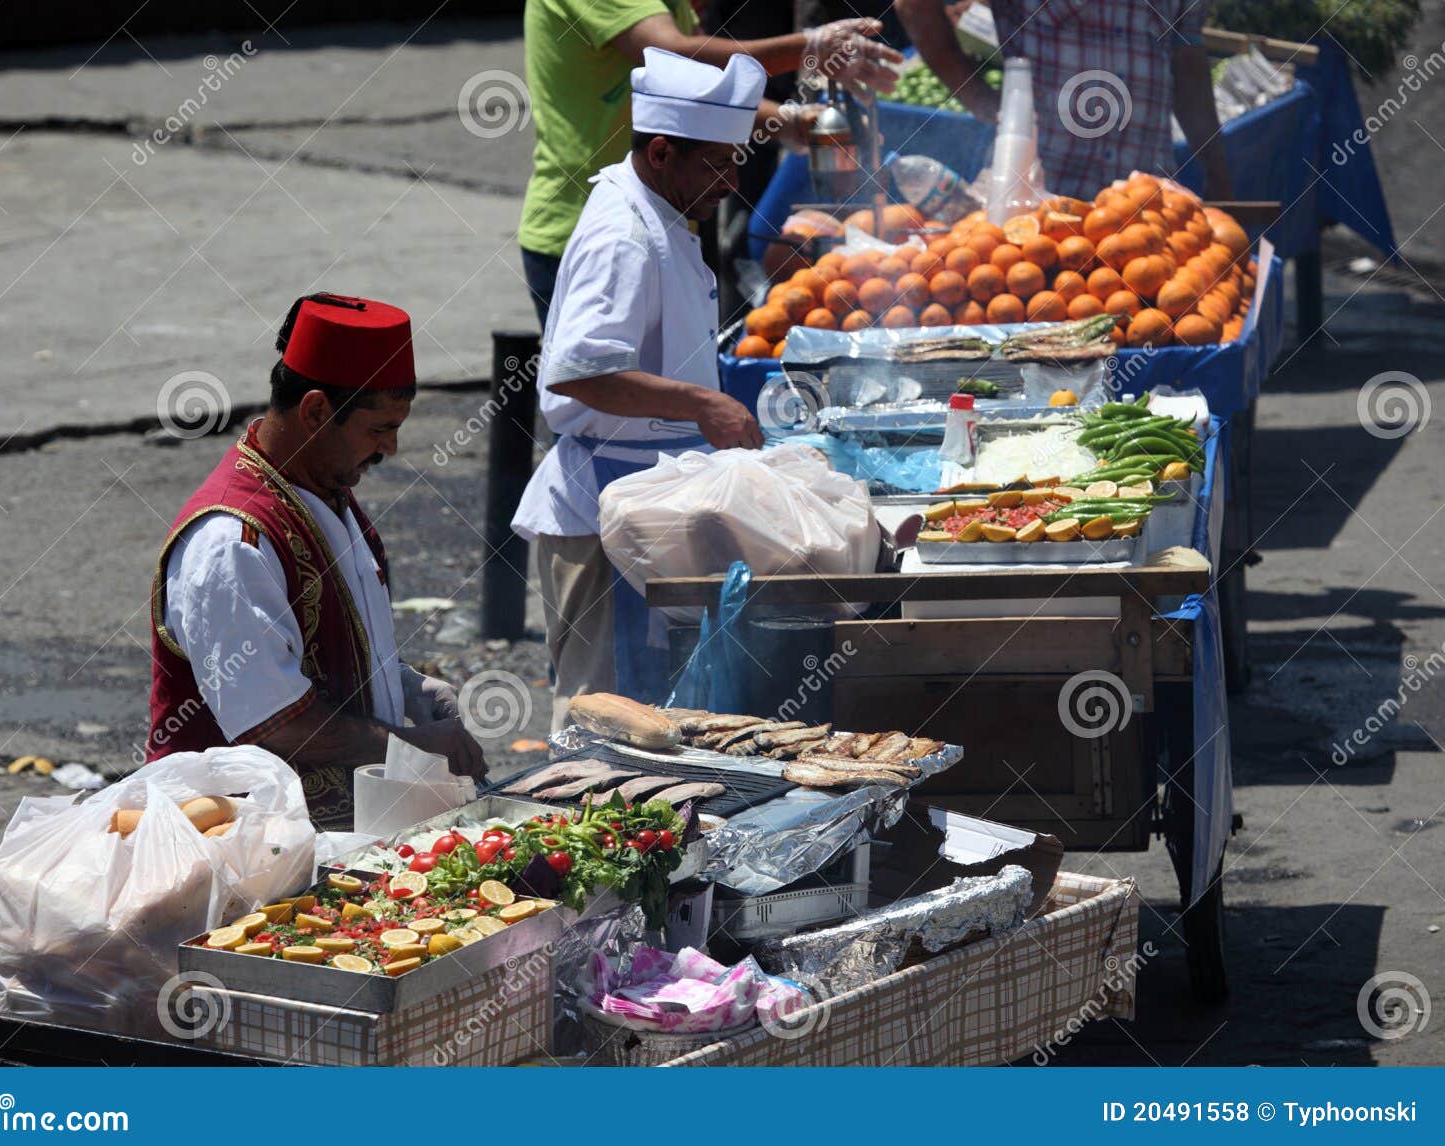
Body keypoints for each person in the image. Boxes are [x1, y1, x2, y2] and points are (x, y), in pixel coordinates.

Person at [147, 293, 486, 828]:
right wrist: (412, 746)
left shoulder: (324, 491)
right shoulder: (233, 543)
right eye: (378, 429)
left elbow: (325, 653)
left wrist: (410, 688)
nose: (391, 449)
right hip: (241, 846)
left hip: (332, 835)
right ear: (316, 410)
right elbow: (275, 723)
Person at [513, 49, 767, 730]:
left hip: (645, 507)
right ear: (660, 153)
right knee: (602, 726)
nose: (732, 180)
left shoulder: (659, 215)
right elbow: (577, 371)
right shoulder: (625, 235)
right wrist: (702, 403)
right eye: (717, 163)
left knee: (654, 724)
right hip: (601, 520)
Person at [520, 1, 901, 328]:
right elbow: (673, 54)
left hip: (668, 228)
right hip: (590, 229)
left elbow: (703, 91)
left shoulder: (671, 6)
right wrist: (813, 47)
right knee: (611, 394)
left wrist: (791, 122)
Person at [893, 0, 1234, 200]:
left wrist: (1217, 172)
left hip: (1144, 203)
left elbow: (1186, 56)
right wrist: (979, 98)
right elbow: (913, 6)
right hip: (1039, 202)